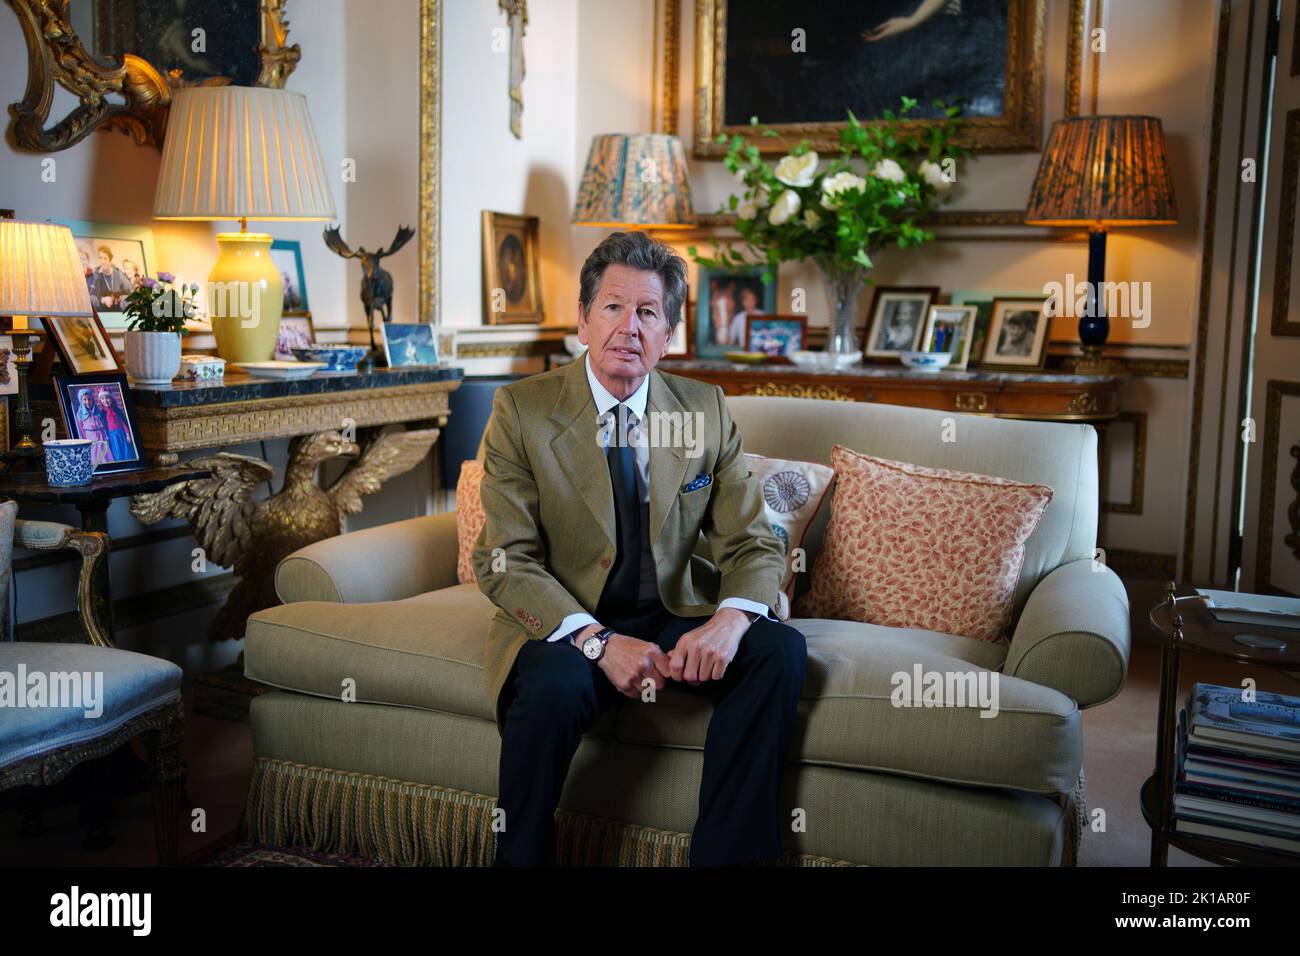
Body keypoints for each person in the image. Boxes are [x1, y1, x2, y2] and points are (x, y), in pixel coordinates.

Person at [475, 231, 806, 867]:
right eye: (612, 307)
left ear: (669, 333)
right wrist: (598, 641)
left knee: (779, 652)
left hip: (672, 611)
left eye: (648, 312)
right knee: (548, 690)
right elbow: (505, 561)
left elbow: (753, 541)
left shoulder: (704, 409)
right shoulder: (522, 410)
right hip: (570, 619)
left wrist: (731, 621)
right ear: (582, 319)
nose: (629, 327)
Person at [73, 390, 109, 467]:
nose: (88, 402)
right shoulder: (80, 414)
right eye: (85, 399)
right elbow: (81, 431)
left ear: (92, 399)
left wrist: (106, 435)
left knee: (106, 456)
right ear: (81, 401)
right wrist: (84, 442)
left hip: (102, 437)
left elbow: (104, 425)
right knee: (95, 457)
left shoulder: (98, 410)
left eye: (89, 399)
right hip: (91, 438)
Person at [96, 389, 132, 462]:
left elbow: (123, 423)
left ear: (111, 398)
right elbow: (103, 427)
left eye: (107, 398)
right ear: (100, 401)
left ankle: (128, 463)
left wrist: (128, 434)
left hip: (121, 433)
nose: (105, 400)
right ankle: (119, 464)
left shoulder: (117, 410)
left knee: (126, 449)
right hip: (111, 435)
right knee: (117, 451)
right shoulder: (102, 413)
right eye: (102, 398)